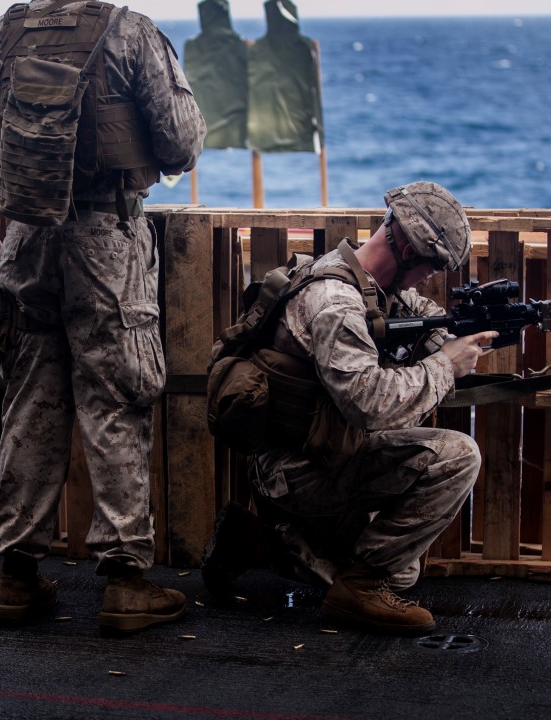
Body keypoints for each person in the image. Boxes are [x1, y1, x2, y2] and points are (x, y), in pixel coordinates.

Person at [0, 0, 206, 634]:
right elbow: (180, 147)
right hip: (106, 241)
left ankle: (18, 578)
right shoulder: (130, 32)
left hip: (24, 240)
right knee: (115, 401)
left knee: (30, 407)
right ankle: (124, 583)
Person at [201, 182, 495, 635]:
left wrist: (472, 333)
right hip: (296, 471)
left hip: (323, 456)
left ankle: (254, 542)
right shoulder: (335, 303)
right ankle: (356, 589)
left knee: (403, 574)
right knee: (458, 457)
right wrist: (445, 366)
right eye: (431, 266)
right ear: (407, 249)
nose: (429, 278)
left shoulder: (368, 284)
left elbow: (429, 325)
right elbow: (369, 403)